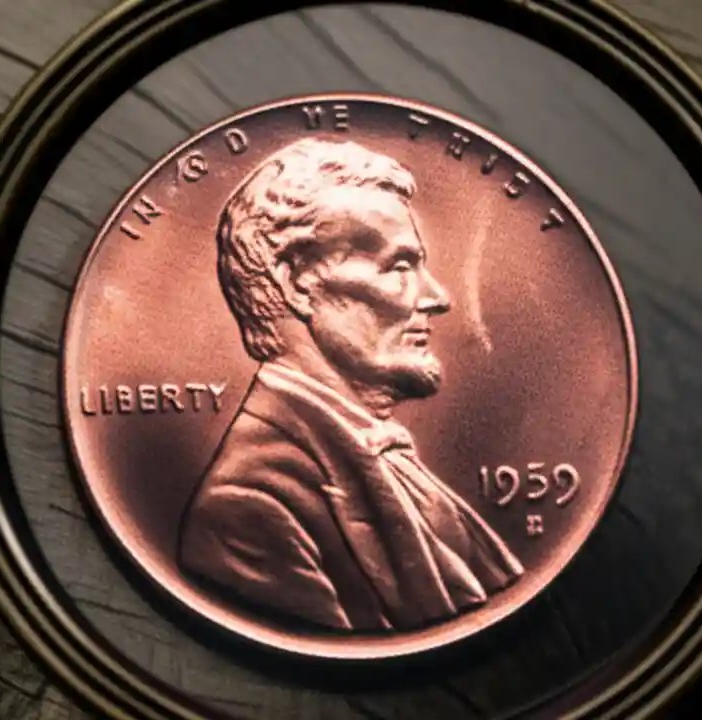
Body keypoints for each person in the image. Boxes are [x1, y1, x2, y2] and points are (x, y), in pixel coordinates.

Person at [177, 137, 524, 632]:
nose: (437, 297)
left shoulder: (381, 457)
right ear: (295, 281)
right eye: (399, 267)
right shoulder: (247, 508)